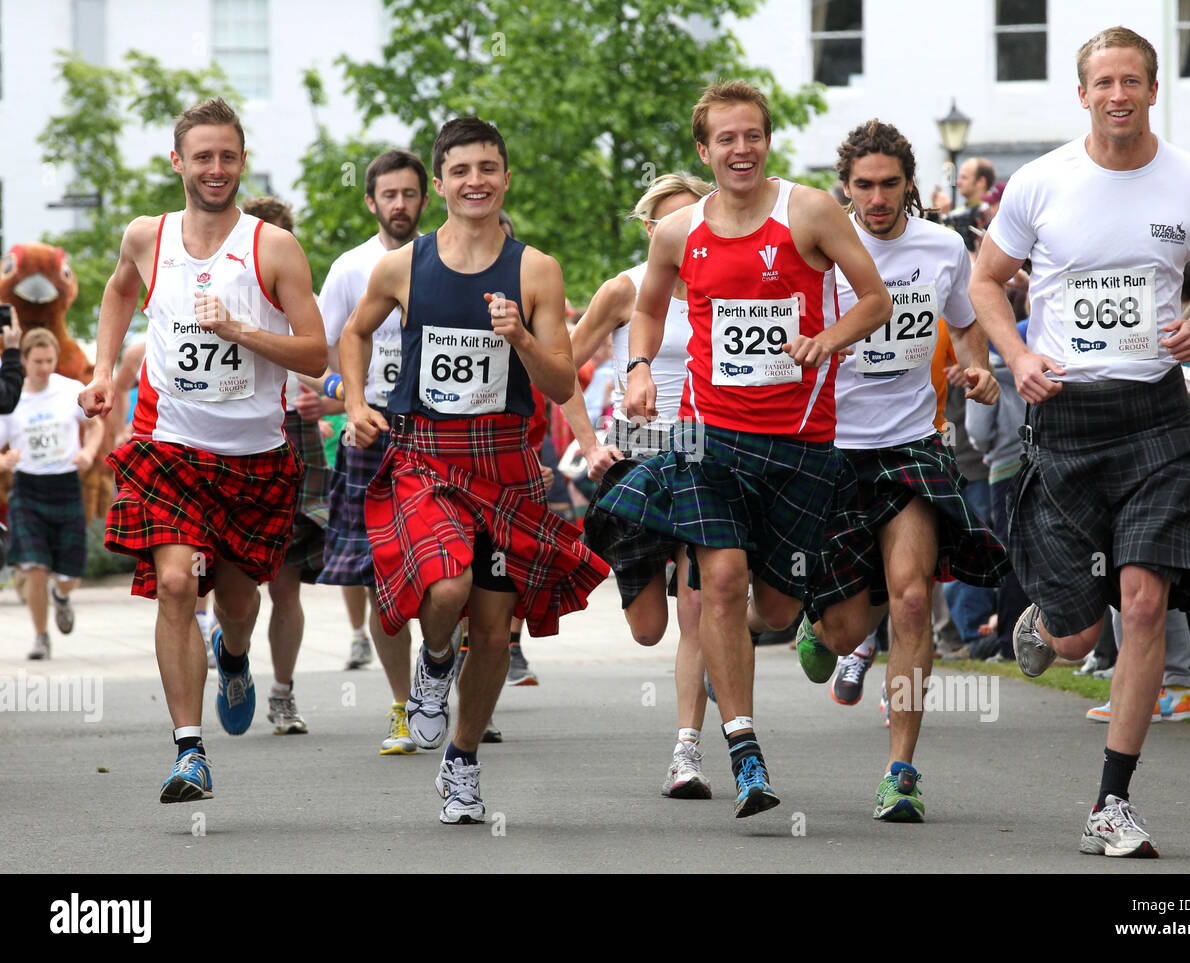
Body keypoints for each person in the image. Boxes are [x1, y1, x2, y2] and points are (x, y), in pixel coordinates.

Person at [969, 27, 1190, 857]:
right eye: (1103, 81)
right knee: (1075, 638)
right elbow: (984, 281)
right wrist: (1017, 352)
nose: (1118, 94)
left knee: (1143, 600)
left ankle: (1112, 801)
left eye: (1132, 81)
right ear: (1082, 94)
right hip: (1065, 421)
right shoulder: (1041, 183)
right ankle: (1053, 619)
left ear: (1153, 89)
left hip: (1152, 418)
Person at [598, 81, 892, 818]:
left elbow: (874, 298)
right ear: (704, 149)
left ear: (766, 141)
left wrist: (827, 338)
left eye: (752, 135)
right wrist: (638, 369)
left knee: (778, 604)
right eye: (725, 138)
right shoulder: (679, 233)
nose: (740, 149)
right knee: (720, 581)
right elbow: (648, 306)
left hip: (799, 443)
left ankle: (781, 639)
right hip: (709, 438)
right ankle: (743, 747)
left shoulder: (811, 212)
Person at [339, 117, 609, 824]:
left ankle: (462, 762)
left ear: (506, 177)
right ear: (440, 185)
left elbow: (558, 384)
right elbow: (354, 332)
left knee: (493, 630)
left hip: (506, 459)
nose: (476, 181)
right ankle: (432, 663)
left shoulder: (535, 269)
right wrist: (355, 400)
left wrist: (520, 336)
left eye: (489, 167)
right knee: (448, 582)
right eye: (461, 170)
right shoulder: (403, 266)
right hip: (426, 454)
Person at [79, 97, 327, 803]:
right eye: (203, 156)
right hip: (172, 448)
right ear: (177, 161)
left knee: (241, 602)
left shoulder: (271, 248)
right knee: (180, 583)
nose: (215, 168)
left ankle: (236, 653)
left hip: (255, 457)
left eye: (227, 156)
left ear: (241, 162)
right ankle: (190, 751)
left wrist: (245, 332)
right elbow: (119, 292)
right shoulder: (145, 236)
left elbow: (315, 352)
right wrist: (101, 373)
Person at [792, 119, 1007, 822]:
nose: (878, 198)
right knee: (842, 628)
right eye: (864, 185)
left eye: (890, 183)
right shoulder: (818, 250)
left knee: (912, 599)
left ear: (908, 181)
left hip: (911, 443)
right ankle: (822, 628)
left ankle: (902, 769)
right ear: (844, 186)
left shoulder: (944, 245)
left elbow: (966, 320)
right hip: (830, 446)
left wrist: (975, 366)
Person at [567, 171, 716, 798]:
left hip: (707, 458)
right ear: (651, 228)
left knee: (699, 610)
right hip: (635, 466)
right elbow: (560, 367)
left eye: (693, 218)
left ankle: (687, 752)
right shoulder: (624, 289)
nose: (683, 232)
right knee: (649, 628)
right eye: (670, 221)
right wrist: (590, 442)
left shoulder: (725, 284)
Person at [317, 150, 429, 754]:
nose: (400, 205)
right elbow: (316, 356)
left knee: (449, 575)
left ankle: (441, 676)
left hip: (436, 435)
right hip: (369, 438)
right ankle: (402, 708)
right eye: (389, 195)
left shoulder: (442, 260)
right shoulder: (349, 269)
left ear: (424, 199)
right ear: (371, 201)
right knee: (383, 576)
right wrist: (349, 401)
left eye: (410, 194)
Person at [240, 195, 331, 735]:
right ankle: (230, 645)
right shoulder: (220, 295)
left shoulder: (304, 300)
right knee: (237, 579)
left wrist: (333, 397)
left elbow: (330, 370)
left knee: (285, 584)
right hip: (232, 439)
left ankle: (281, 692)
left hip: (293, 440)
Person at [0, 328, 104, 658]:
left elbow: (96, 424)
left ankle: (62, 595)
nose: (44, 367)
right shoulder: (11, 397)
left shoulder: (70, 390)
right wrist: (5, 461)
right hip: (28, 488)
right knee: (34, 566)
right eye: (37, 361)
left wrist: (88, 452)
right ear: (25, 361)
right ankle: (41, 638)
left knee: (70, 572)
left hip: (66, 485)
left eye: (49, 360)